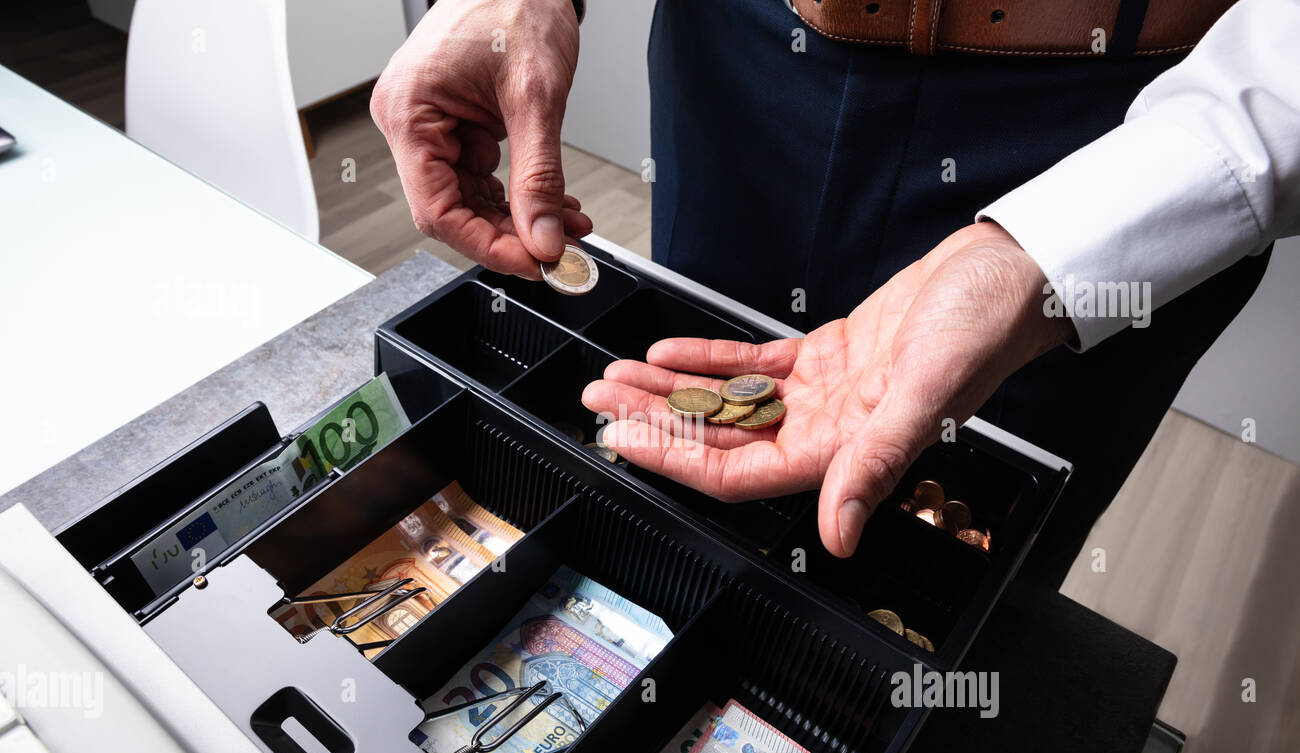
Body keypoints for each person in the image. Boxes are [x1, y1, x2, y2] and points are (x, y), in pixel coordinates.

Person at [370, 0, 1300, 585]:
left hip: (1121, 125)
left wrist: (1044, 256)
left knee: (967, 569)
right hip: (738, 58)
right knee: (685, 477)